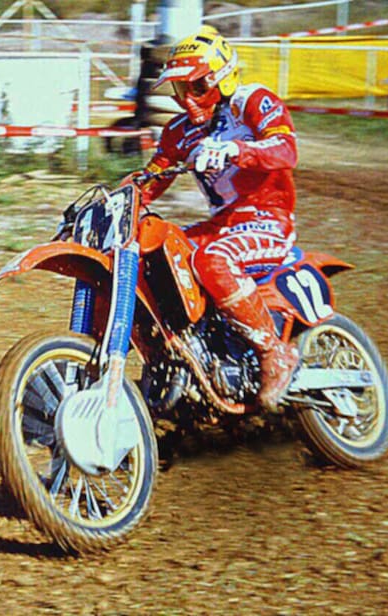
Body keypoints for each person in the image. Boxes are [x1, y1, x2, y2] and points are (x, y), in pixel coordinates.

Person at [121, 25, 299, 412]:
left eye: (197, 87)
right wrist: (114, 201)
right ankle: (181, 354)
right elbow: (151, 178)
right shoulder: (179, 132)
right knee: (158, 255)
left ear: (222, 77)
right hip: (222, 223)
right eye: (181, 90)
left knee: (212, 259)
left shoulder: (253, 101)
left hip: (268, 218)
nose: (188, 100)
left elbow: (285, 148)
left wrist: (236, 150)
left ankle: (275, 353)